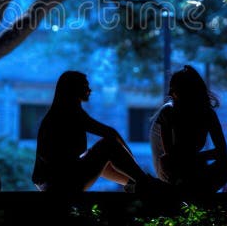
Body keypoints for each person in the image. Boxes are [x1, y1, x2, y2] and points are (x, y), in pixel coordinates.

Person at [32, 70, 163, 193]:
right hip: (60, 182)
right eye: (85, 86)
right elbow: (110, 133)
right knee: (108, 145)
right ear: (73, 89)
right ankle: (144, 181)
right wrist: (132, 161)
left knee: (99, 156)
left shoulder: (58, 113)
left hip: (52, 182)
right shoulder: (69, 113)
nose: (89, 90)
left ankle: (133, 184)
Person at [149, 65, 227, 193]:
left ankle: (190, 190)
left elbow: (223, 153)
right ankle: (195, 191)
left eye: (174, 89)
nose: (169, 94)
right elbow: (170, 156)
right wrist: (196, 159)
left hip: (192, 170)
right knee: (168, 163)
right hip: (175, 171)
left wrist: (193, 159)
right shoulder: (168, 112)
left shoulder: (207, 114)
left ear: (188, 92)